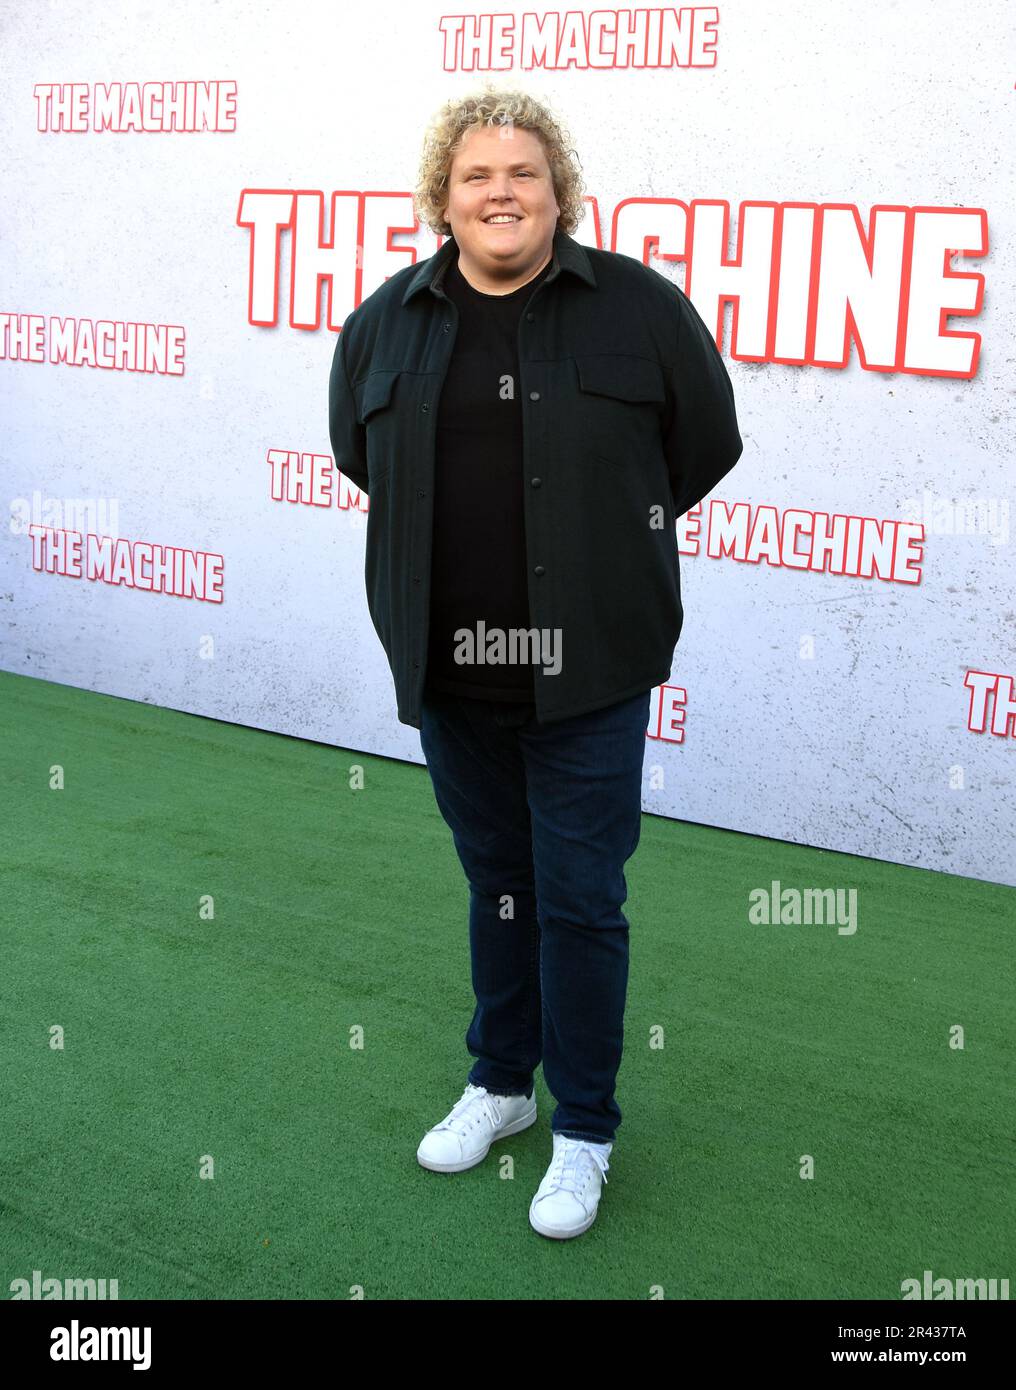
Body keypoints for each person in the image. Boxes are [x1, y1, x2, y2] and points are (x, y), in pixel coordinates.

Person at [328, 85, 743, 1239]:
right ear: (441, 199)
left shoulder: (640, 312)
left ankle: (585, 1131)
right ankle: (501, 1085)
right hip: (452, 674)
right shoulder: (383, 323)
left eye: (521, 173)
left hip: (589, 673)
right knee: (495, 885)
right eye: (475, 176)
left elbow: (699, 447)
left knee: (578, 900)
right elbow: (361, 457)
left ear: (557, 190)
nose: (498, 192)